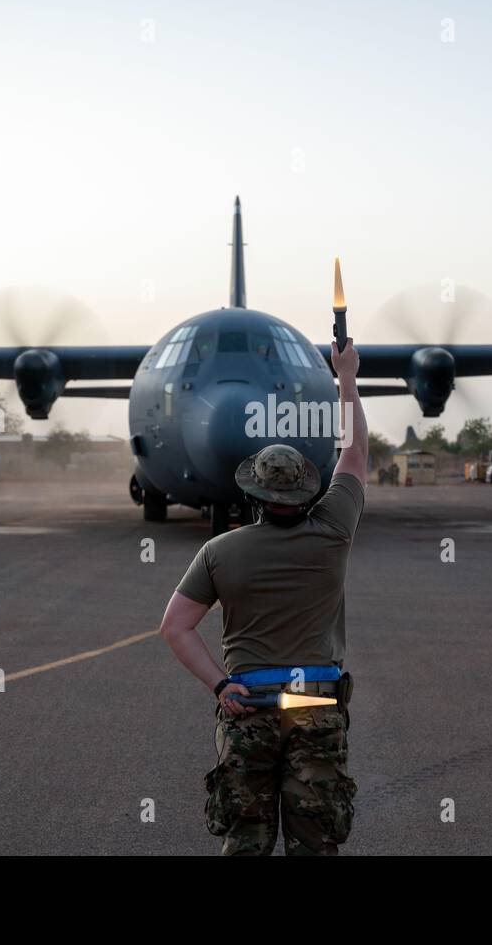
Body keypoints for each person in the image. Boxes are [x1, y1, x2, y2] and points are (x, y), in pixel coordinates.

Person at [159, 338, 368, 855]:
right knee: (315, 843)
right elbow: (356, 450)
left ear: (251, 493)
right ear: (306, 490)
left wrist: (218, 685)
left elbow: (175, 627)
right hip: (313, 701)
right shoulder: (334, 529)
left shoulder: (218, 551)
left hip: (248, 704)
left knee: (246, 841)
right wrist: (346, 375)